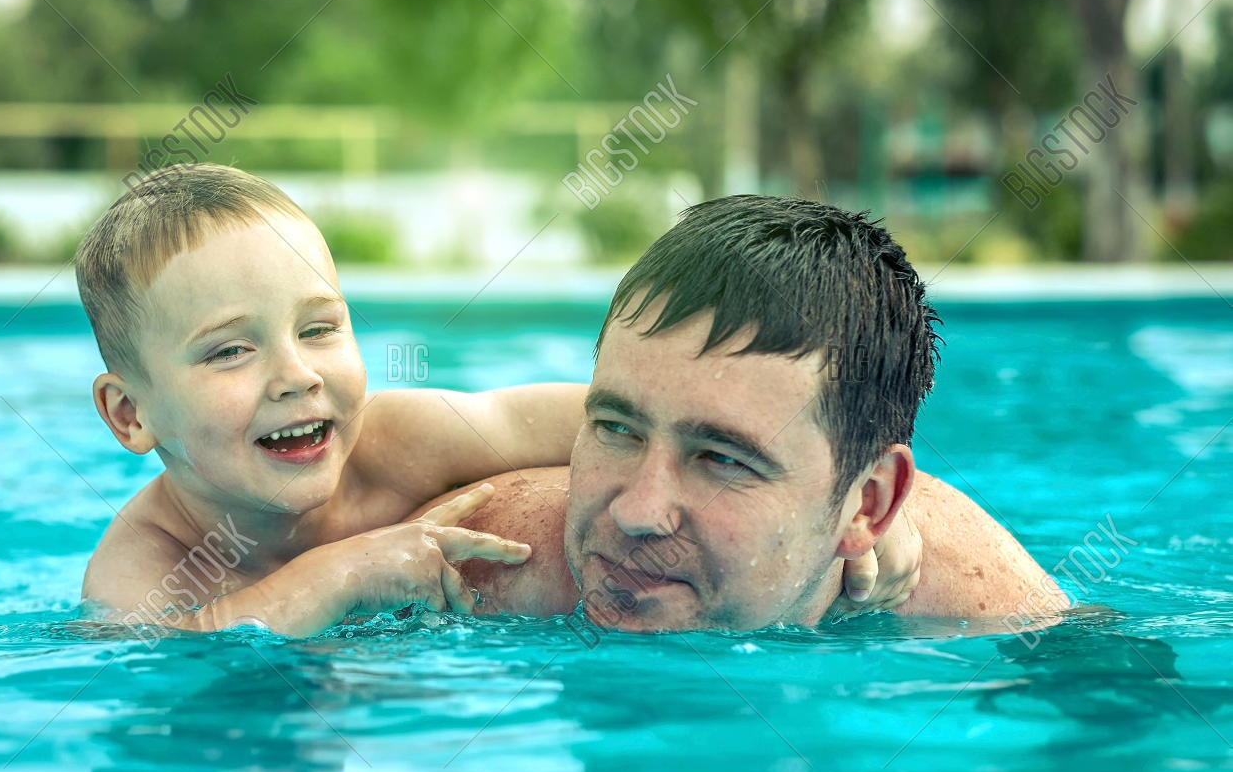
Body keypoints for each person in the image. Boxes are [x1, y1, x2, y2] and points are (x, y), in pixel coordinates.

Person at [73, 166, 920, 636]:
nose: (296, 376)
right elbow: (161, 657)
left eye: (321, 329)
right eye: (230, 350)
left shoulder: (395, 441)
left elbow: (607, 416)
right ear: (130, 415)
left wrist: (858, 510)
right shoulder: (145, 556)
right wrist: (338, 574)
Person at [435, 195, 1069, 631]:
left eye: (721, 458)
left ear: (869, 504)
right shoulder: (477, 572)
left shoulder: (989, 616)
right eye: (617, 428)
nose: (634, 512)